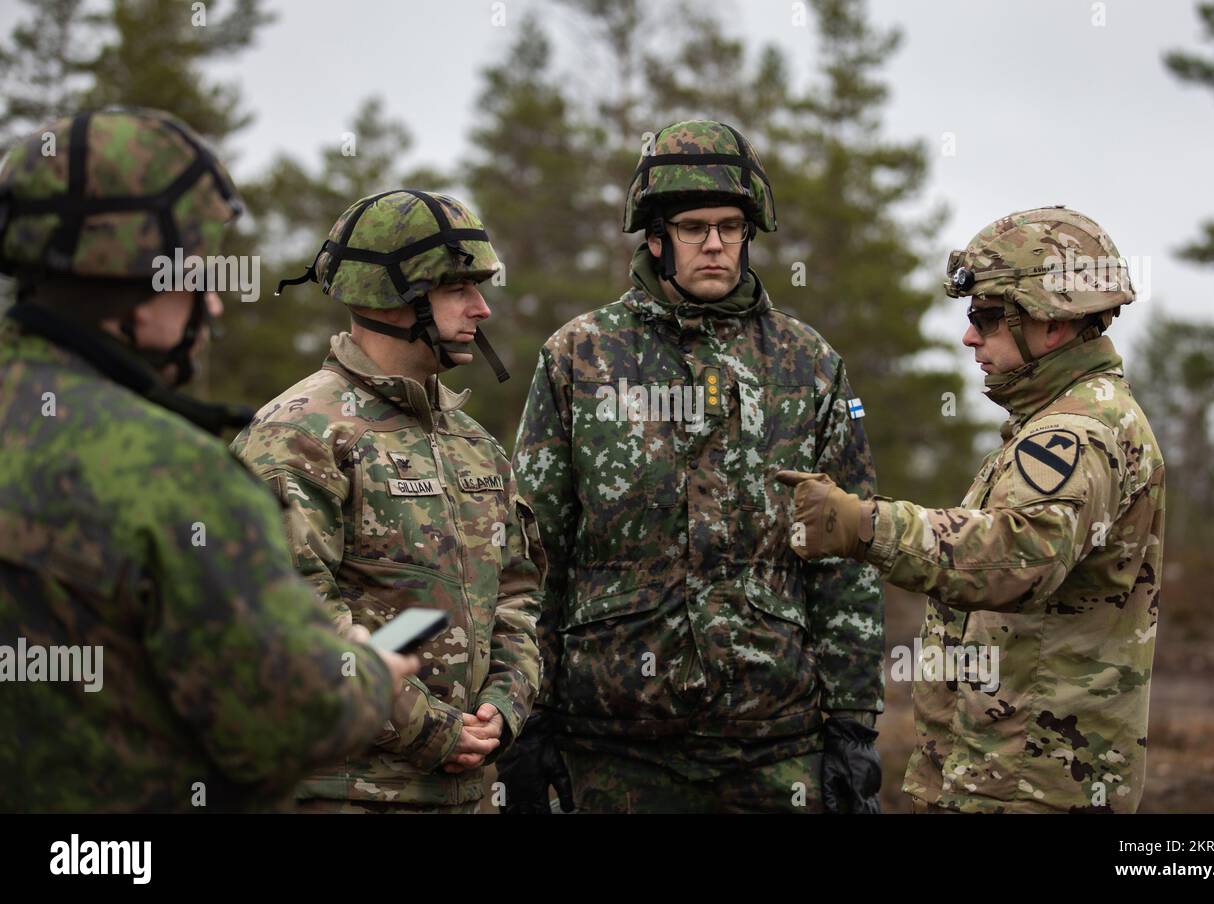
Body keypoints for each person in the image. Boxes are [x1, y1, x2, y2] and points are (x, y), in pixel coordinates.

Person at [0, 107, 414, 813]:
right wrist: (368, 672)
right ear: (138, 281)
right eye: (197, 272)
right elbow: (287, 720)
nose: (214, 306)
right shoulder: (172, 475)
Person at [503, 120, 885, 814]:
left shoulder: (808, 364)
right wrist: (527, 714)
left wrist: (854, 724)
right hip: (613, 743)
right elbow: (534, 551)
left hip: (775, 739)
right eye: (693, 227)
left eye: (731, 227)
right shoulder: (581, 357)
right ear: (655, 236)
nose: (715, 243)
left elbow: (845, 561)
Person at [778, 206, 1164, 813]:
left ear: (1051, 323)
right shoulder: (1061, 420)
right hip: (1006, 772)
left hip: (1028, 783)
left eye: (986, 318)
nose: (969, 337)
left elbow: (1017, 555)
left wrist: (863, 525)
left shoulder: (1078, 432)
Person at [234, 189, 544, 813]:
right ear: (392, 297)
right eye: (458, 289)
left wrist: (504, 710)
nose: (482, 308)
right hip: (344, 793)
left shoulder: (473, 442)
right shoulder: (298, 434)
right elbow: (293, 618)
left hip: (473, 795)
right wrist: (430, 730)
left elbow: (516, 596)